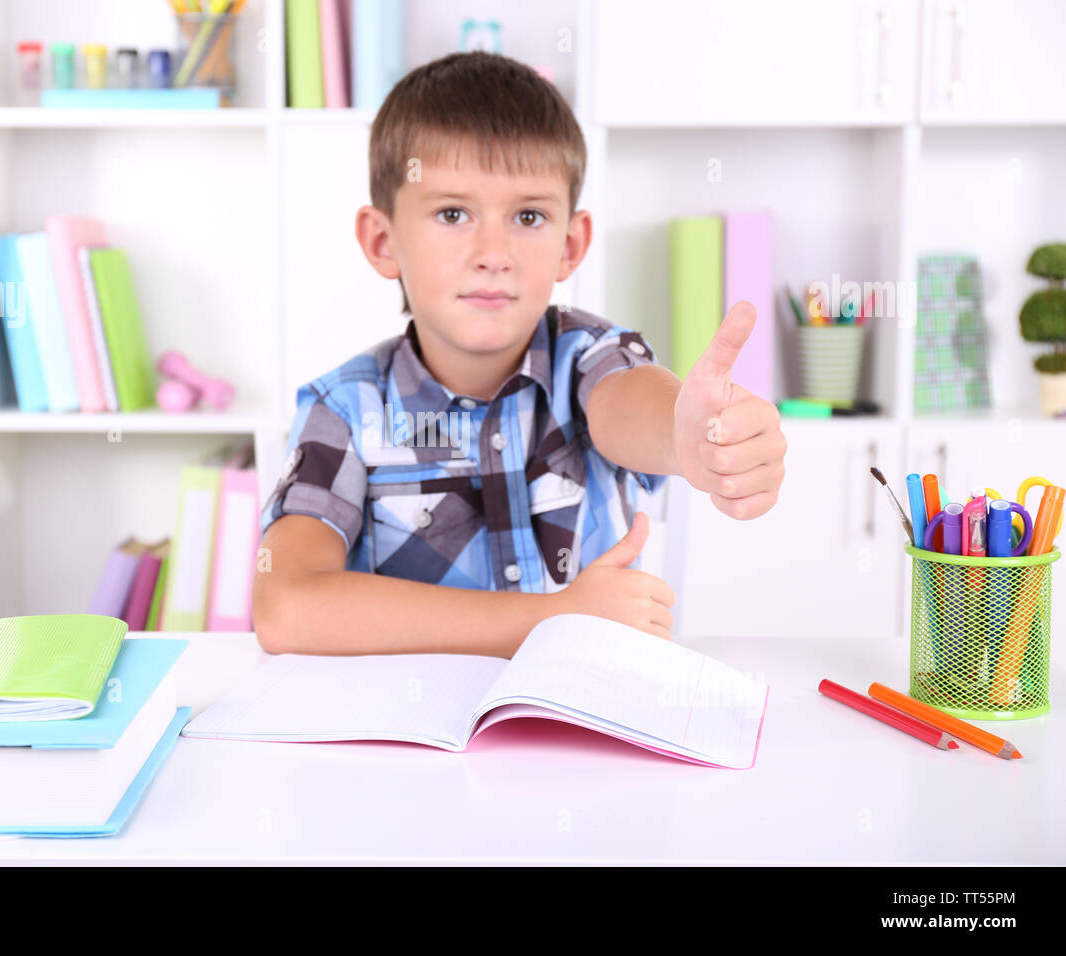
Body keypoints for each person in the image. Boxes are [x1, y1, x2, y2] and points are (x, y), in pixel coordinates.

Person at [253, 52, 786, 657]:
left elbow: (633, 405)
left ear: (570, 243)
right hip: (413, 742)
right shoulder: (345, 407)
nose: (493, 252)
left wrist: (687, 436)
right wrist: (552, 618)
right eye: (453, 213)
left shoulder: (589, 358)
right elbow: (287, 607)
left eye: (528, 216)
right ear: (383, 241)